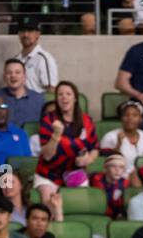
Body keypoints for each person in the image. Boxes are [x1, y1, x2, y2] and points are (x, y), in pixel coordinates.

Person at [35, 80, 99, 215]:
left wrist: (89, 159)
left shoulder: (86, 120)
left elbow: (95, 147)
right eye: (60, 94)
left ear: (75, 98)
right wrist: (56, 136)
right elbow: (47, 155)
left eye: (68, 94)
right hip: (49, 172)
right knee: (49, 209)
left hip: (75, 172)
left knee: (79, 208)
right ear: (56, 99)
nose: (64, 97)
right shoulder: (49, 120)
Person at [100, 98, 143, 174]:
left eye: (135, 115)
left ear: (141, 119)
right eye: (126, 115)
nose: (130, 118)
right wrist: (118, 145)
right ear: (121, 118)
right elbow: (105, 163)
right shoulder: (110, 137)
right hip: (118, 176)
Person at [0, 57, 44, 129]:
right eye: (9, 73)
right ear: (4, 77)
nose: (13, 75)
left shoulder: (38, 99)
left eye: (17, 72)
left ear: (24, 77)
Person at [15, 18, 58, 96]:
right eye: (22, 31)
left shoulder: (44, 58)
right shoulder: (16, 59)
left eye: (30, 31)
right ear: (18, 34)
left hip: (37, 105)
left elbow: (51, 91)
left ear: (37, 34)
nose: (25, 35)